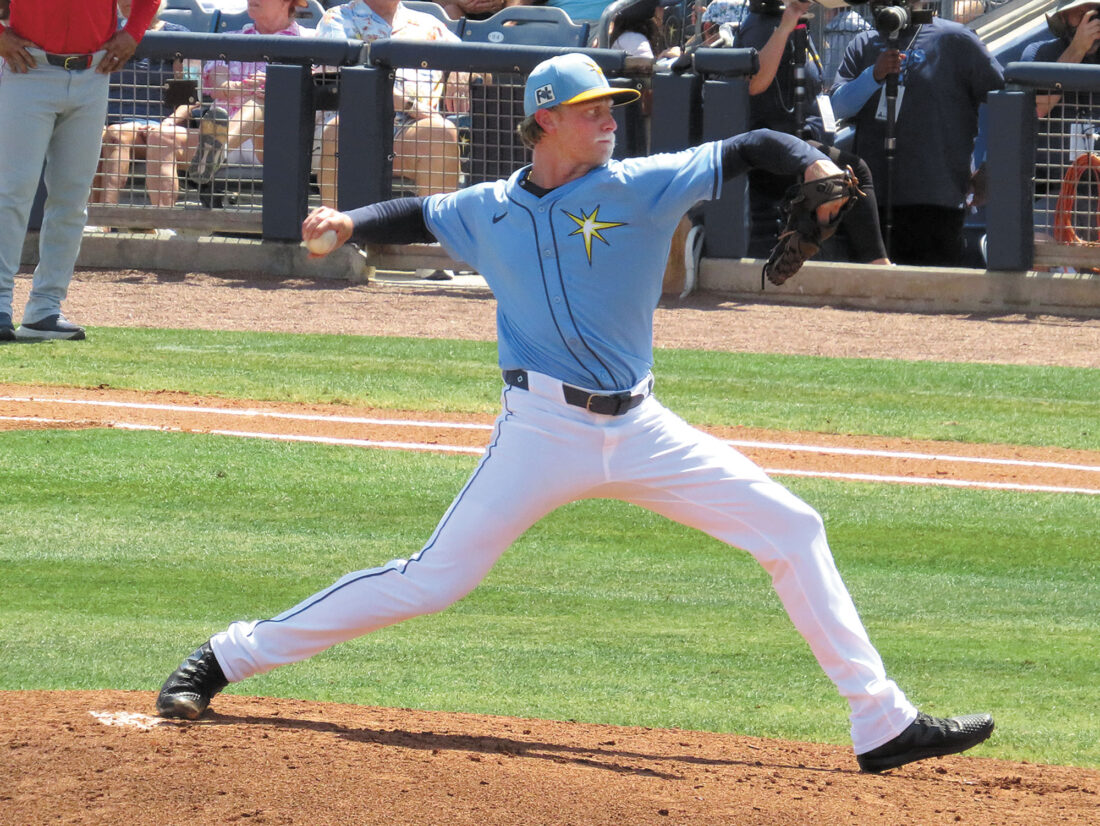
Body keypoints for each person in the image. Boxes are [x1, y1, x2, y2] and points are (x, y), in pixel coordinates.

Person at [155, 52, 995, 775]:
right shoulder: (488, 207)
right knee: (432, 580)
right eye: (593, 111)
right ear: (546, 119)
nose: (609, 123)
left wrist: (809, 159)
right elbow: (418, 213)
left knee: (794, 528)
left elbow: (751, 146)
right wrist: (347, 219)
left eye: (613, 109)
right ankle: (227, 654)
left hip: (642, 430)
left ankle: (881, 722)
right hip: (541, 434)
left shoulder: (642, 184)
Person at [0, 0, 159, 342]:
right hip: (26, 69)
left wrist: (133, 32)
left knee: (71, 200)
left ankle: (45, 310)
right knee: (11, 193)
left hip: (93, 73)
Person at [829, 1, 1004, 266]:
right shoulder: (864, 43)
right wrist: (874, 75)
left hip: (937, 201)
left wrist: (992, 167)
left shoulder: (956, 39)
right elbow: (837, 106)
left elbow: (1009, 101)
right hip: (871, 200)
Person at [735, 0, 889, 265]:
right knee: (856, 172)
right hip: (774, 145)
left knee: (850, 171)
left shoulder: (790, 22)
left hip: (800, 136)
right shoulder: (761, 26)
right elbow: (754, 83)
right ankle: (879, 266)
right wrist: (786, 24)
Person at [143, 0, 309, 209]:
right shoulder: (231, 39)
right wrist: (238, 86)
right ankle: (162, 222)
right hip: (220, 132)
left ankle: (218, 148)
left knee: (262, 101)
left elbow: (317, 87)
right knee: (160, 137)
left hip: (275, 142)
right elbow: (218, 83)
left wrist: (273, 87)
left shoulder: (310, 40)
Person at [312, 0, 465, 208]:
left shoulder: (427, 23)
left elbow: (480, 62)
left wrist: (462, 73)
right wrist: (411, 106)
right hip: (355, 123)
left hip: (412, 130)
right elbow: (343, 79)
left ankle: (434, 234)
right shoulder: (338, 18)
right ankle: (335, 233)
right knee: (341, 129)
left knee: (443, 132)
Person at [90, 0, 190, 212]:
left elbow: (187, 99)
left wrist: (166, 125)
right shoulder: (107, 34)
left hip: (157, 125)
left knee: (116, 134)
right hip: (107, 123)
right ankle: (94, 223)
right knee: (100, 135)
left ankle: (106, 219)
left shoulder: (178, 35)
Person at [1022, 0, 1100, 249]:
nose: (1087, 18)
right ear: (1063, 18)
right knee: (1033, 244)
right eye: (1078, 13)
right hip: (1055, 190)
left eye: (1093, 11)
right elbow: (1035, 108)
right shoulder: (1039, 53)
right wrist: (1077, 49)